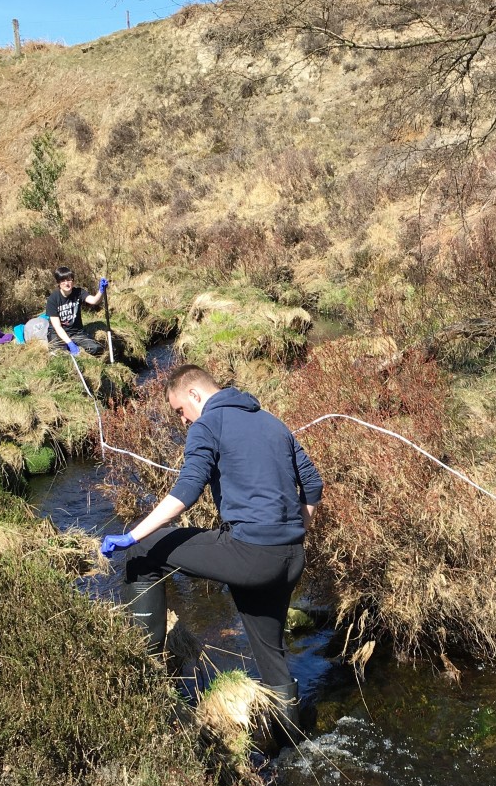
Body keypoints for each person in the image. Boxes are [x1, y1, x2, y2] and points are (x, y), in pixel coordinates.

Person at [100, 364, 324, 729]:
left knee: (143, 552)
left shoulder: (207, 424)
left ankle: (145, 671)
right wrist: (296, 533)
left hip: (249, 555)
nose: (184, 421)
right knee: (271, 654)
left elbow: (187, 491)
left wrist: (134, 535)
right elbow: (312, 484)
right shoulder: (273, 423)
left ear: (194, 394)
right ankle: (291, 744)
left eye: (180, 412)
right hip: (290, 558)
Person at [45, 266, 104, 355]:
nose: (67, 283)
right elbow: (57, 327)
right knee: (59, 354)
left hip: (76, 332)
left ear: (73, 281)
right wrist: (70, 343)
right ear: (58, 282)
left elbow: (94, 301)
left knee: (95, 349)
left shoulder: (79, 292)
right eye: (63, 281)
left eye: (69, 280)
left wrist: (101, 291)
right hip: (57, 334)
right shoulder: (53, 299)